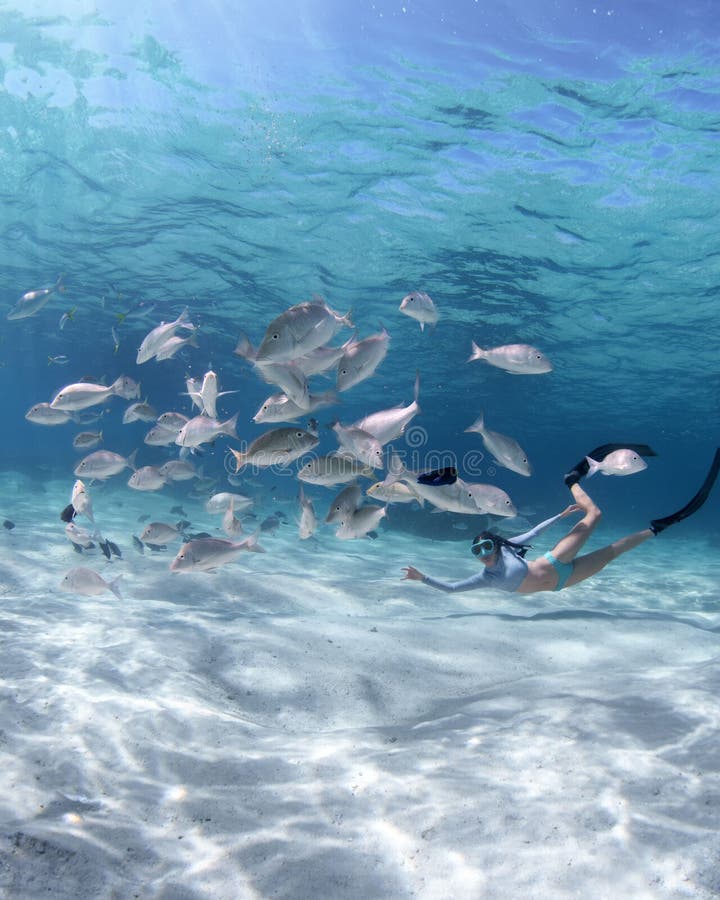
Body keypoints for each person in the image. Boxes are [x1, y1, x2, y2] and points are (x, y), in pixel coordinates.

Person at [402, 447, 720, 595]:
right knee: (612, 552)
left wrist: (562, 514)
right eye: (478, 551)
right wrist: (422, 578)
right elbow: (453, 588)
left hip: (557, 559)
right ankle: (659, 526)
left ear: (495, 545)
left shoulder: (509, 549)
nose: (484, 554)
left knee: (594, 514)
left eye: (486, 546)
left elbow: (534, 530)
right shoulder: (487, 579)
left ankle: (572, 480)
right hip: (563, 582)